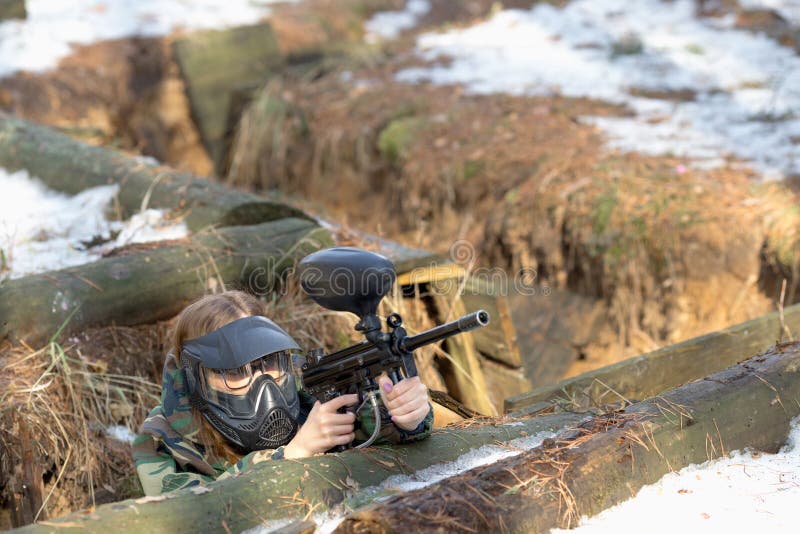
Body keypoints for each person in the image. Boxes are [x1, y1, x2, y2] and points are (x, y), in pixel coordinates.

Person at [133, 290, 433, 496]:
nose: (262, 382)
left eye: (268, 362)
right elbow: (193, 514)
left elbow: (366, 419)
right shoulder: (163, 438)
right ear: (197, 377)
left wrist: (404, 417)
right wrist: (293, 454)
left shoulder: (305, 389)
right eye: (235, 371)